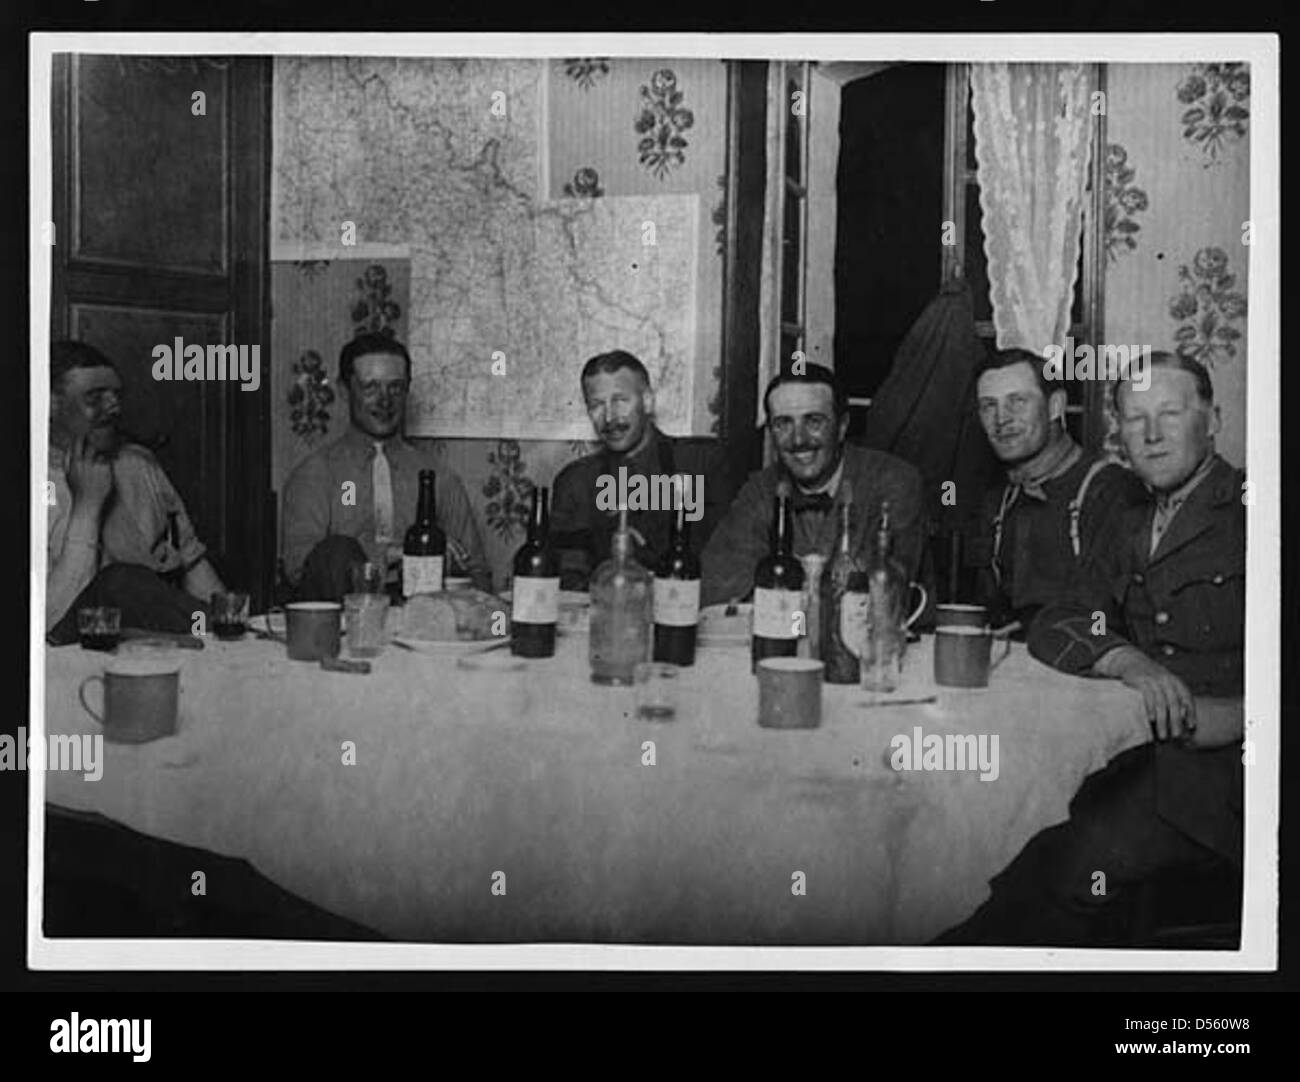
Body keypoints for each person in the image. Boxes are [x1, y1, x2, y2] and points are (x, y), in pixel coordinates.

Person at [937, 352, 1244, 946]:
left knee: (1057, 866)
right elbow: (1062, 618)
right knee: (999, 833)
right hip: (1136, 756)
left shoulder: (1257, 514)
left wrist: (1239, 717)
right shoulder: (1135, 520)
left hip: (1224, 782)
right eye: (1134, 420)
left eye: (1170, 414)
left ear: (1215, 420)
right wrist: (1128, 661)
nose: (1151, 437)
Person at [281, 333, 491, 600]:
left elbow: (477, 572)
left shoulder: (439, 477)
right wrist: (388, 554)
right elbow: (299, 567)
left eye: (395, 387)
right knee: (338, 549)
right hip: (347, 623)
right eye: (371, 387)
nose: (385, 400)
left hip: (421, 621)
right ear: (345, 391)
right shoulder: (315, 474)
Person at [46, 340, 227, 642]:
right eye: (95, 397)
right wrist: (88, 506)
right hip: (67, 653)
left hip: (156, 642)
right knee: (121, 581)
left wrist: (230, 623)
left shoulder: (140, 464)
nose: (113, 406)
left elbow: (192, 563)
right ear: (51, 404)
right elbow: (45, 622)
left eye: (117, 395)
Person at [701, 363, 925, 606]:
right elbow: (717, 587)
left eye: (814, 421)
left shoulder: (894, 482)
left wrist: (777, 589)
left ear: (841, 427)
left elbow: (887, 593)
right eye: (783, 423)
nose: (798, 439)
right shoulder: (760, 490)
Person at [964, 348, 1146, 634]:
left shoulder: (1110, 493)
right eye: (989, 405)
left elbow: (1106, 623)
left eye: (1018, 401)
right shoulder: (999, 500)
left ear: (1055, 406)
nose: (1001, 419)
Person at [549, 350, 734, 590]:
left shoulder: (698, 465)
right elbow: (566, 578)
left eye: (620, 401)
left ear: (647, 401)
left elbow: (722, 562)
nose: (609, 418)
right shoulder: (576, 481)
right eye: (596, 405)